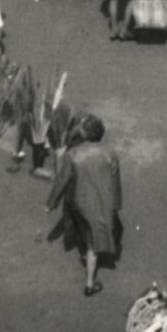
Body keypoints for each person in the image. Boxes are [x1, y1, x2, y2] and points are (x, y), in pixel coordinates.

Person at [48, 113, 122, 296]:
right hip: (100, 203)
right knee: (94, 244)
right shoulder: (110, 153)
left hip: (77, 201)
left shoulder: (73, 155)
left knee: (83, 229)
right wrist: (115, 205)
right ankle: (89, 283)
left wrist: (51, 202)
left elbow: (62, 180)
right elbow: (115, 182)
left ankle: (85, 252)